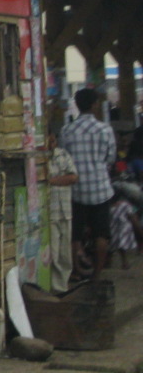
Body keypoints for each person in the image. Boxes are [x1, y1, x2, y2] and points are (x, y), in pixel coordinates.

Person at [62, 87, 115, 283]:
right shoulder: (105, 129)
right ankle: (97, 274)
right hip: (100, 189)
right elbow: (110, 157)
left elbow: (65, 161)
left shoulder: (67, 130)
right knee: (101, 233)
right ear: (94, 105)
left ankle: (76, 271)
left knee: (75, 234)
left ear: (76, 105)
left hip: (76, 191)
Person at [45, 115, 78, 293]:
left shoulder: (63, 155)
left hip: (65, 210)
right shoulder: (41, 158)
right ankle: (55, 288)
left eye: (52, 138)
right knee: (54, 253)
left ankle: (62, 287)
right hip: (49, 213)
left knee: (64, 253)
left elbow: (73, 177)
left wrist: (52, 181)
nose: (51, 142)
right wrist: (58, 180)